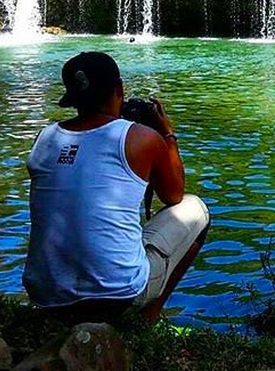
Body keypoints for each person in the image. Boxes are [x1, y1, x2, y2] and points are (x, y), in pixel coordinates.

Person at [23, 51, 210, 322]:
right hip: (117, 297)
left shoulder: (45, 139)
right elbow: (173, 195)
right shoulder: (141, 137)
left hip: (47, 297)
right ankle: (150, 315)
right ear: (119, 89)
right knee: (196, 209)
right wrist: (167, 135)